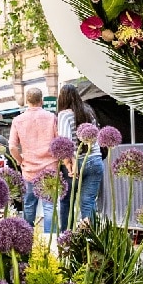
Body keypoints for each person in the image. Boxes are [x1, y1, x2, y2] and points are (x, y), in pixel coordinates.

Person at [9, 87, 60, 231]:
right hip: (50, 168)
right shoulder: (51, 117)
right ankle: (51, 243)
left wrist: (20, 161)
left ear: (26, 101)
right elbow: (59, 142)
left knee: (29, 205)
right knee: (49, 206)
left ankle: (27, 240)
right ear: (41, 100)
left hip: (29, 170)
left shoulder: (18, 120)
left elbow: (12, 147)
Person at [53, 83, 104, 227]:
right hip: (95, 159)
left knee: (66, 202)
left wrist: (71, 164)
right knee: (88, 202)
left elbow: (66, 142)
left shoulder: (64, 115)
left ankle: (66, 237)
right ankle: (90, 239)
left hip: (77, 162)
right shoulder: (89, 112)